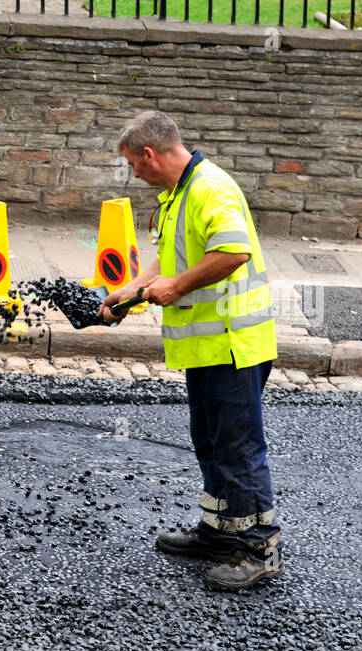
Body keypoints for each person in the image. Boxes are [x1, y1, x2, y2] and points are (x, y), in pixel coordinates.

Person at [98, 110, 283, 591]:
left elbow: (233, 252)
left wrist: (176, 287)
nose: (134, 175)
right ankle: (219, 533)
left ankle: (259, 547)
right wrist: (132, 290)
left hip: (232, 346)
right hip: (207, 346)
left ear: (149, 154)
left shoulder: (210, 189)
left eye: (133, 166)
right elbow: (175, 257)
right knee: (211, 442)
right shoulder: (181, 193)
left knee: (238, 448)